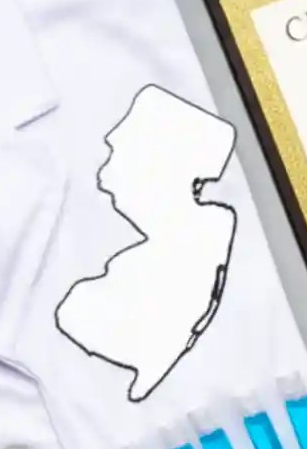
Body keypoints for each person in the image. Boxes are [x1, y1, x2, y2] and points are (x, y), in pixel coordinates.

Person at [56, 85, 238, 401]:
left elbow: (75, 313)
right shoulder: (189, 244)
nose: (104, 179)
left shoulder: (180, 260)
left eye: (118, 156)